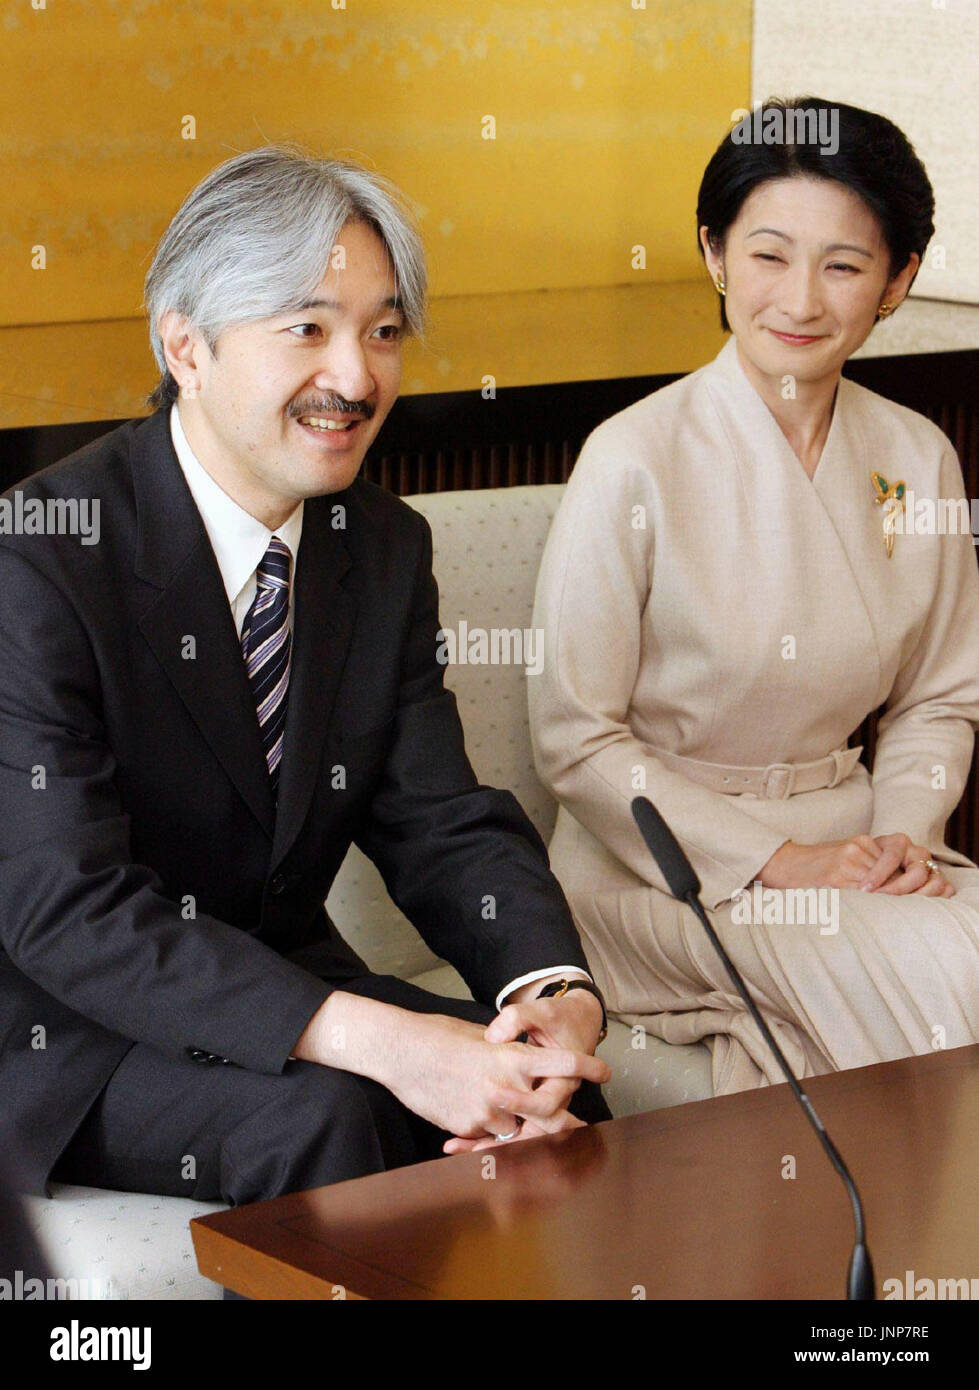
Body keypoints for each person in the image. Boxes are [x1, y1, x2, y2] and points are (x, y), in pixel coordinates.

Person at [0, 145, 611, 1224]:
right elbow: (69, 910)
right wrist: (385, 1038)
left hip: (269, 984)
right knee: (326, 1115)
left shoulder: (378, 545)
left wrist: (549, 991)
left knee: (545, 1100)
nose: (356, 375)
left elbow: (438, 817)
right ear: (184, 345)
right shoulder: (42, 558)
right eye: (307, 328)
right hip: (57, 1025)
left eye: (382, 331)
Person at [529, 98, 979, 1094]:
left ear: (897, 281)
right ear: (714, 254)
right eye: (769, 255)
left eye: (845, 265)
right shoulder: (633, 457)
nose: (802, 299)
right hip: (662, 872)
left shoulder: (916, 456)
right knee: (947, 975)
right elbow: (576, 738)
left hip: (859, 850)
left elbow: (939, 699)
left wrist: (903, 837)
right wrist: (776, 859)